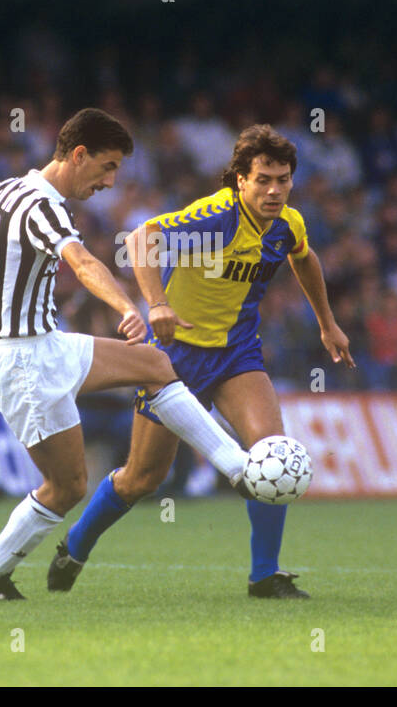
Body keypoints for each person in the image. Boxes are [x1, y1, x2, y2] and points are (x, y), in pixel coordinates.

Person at [0, 108, 254, 601]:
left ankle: (238, 468)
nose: (110, 182)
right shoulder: (43, 206)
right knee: (66, 488)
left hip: (50, 345)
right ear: (79, 154)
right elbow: (82, 262)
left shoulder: (4, 190)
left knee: (155, 363)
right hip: (23, 363)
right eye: (107, 167)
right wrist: (128, 307)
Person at [48, 125, 355, 599]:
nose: (275, 190)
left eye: (284, 180)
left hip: (237, 355)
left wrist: (326, 323)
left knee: (271, 454)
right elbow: (141, 239)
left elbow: (305, 258)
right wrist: (158, 305)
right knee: (142, 479)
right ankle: (76, 544)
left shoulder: (287, 223)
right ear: (240, 180)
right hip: (175, 360)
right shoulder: (215, 219)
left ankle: (265, 575)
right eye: (264, 180)